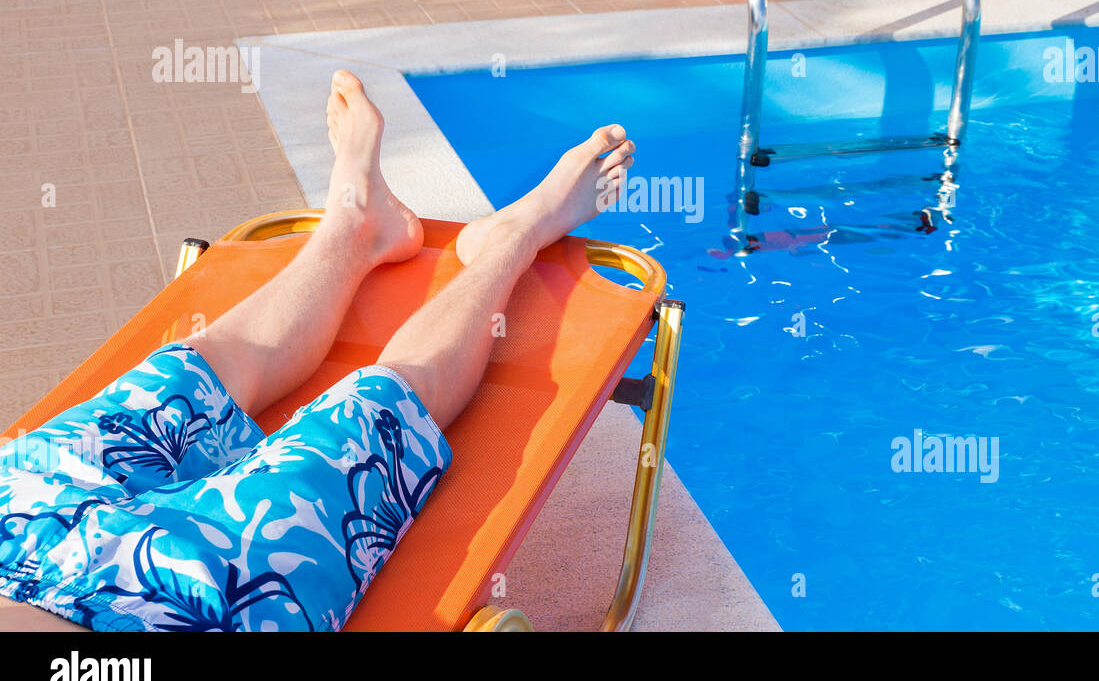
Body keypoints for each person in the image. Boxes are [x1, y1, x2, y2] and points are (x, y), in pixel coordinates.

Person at [0, 71, 635, 632]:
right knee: (375, 410)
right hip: (174, 606)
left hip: (16, 530)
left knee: (184, 374)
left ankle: (354, 226)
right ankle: (513, 239)